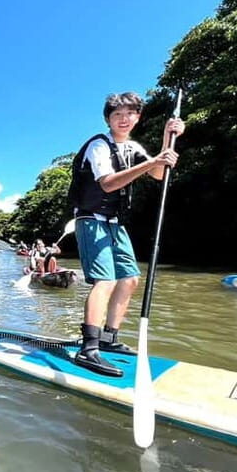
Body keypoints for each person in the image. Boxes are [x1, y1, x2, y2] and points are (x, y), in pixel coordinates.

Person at [68, 91, 185, 377]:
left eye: (129, 114)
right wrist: (152, 161)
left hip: (115, 222)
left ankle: (109, 338)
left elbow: (159, 173)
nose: (123, 119)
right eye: (117, 115)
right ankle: (89, 348)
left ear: (137, 117)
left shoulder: (132, 147)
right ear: (108, 119)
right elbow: (108, 184)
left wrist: (168, 139)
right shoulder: (99, 145)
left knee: (130, 279)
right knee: (105, 281)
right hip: (91, 220)